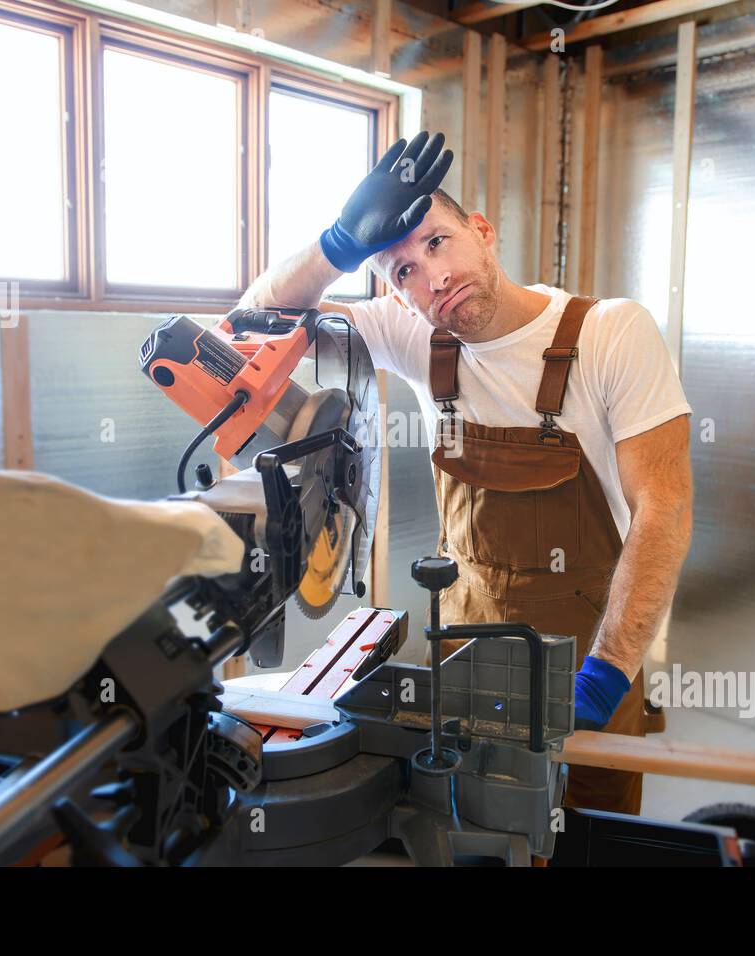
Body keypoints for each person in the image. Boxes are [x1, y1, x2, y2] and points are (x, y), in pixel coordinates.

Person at [239, 131, 692, 813]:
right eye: (403, 271)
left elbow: (665, 509)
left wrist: (605, 675)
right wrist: (339, 243)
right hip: (463, 664)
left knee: (589, 840)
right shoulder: (415, 334)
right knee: (469, 834)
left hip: (593, 664)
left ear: (482, 231)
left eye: (437, 242)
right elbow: (252, 324)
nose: (432, 278)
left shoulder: (610, 334)